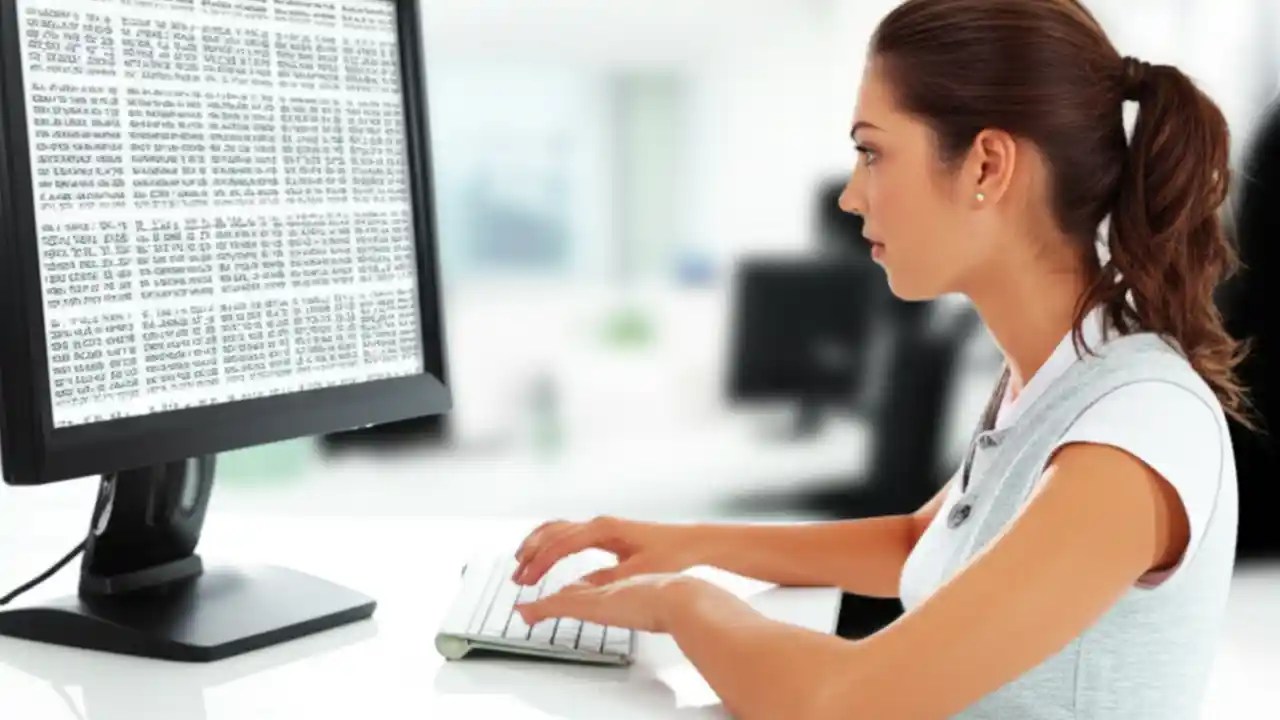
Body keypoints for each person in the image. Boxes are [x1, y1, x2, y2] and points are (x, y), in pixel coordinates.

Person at [510, 1, 1260, 717]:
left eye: (872, 152)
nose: (850, 196)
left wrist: (682, 601)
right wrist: (689, 543)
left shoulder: (1133, 437)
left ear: (986, 167)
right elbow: (919, 542)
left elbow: (840, 703)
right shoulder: (1053, 382)